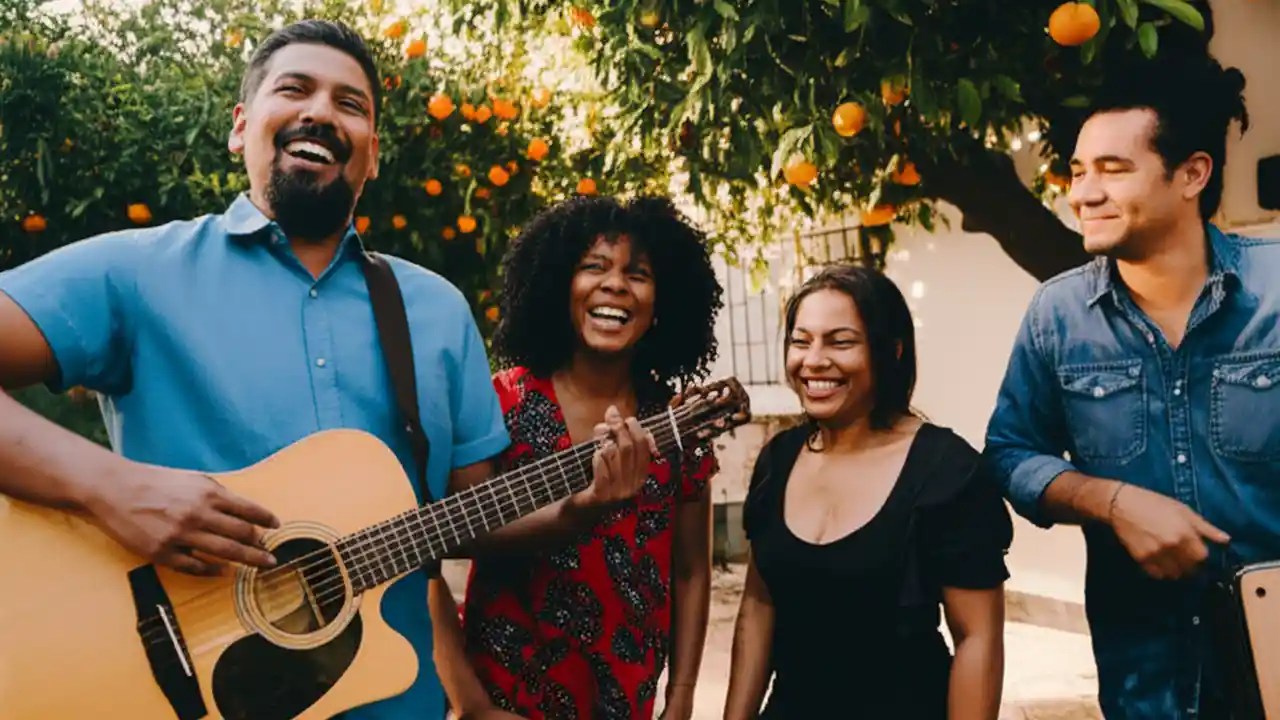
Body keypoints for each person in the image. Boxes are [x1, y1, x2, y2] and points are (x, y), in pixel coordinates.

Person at [0, 20, 651, 720]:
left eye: (350, 103)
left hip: (394, 700)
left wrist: (586, 508)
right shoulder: (135, 272)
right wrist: (111, 487)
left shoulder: (434, 310)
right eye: (294, 89)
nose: (319, 111)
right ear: (241, 126)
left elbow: (470, 519)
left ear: (372, 155)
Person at [983, 53, 1274, 718]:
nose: (1083, 192)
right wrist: (1111, 501)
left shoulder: (1277, 293)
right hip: (1146, 682)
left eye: (1113, 170)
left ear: (1191, 174)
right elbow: (1008, 452)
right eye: (1079, 171)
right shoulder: (1058, 316)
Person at [432, 195, 725, 720]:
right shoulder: (499, 404)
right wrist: (470, 704)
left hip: (625, 701)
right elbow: (436, 546)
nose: (615, 284)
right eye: (594, 267)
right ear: (558, 287)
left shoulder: (677, 425)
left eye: (638, 274)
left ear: (664, 302)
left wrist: (680, 700)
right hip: (504, 700)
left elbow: (690, 572)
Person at [724, 264, 1011, 719]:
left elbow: (978, 636)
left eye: (841, 342)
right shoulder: (778, 459)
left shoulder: (946, 470)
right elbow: (760, 604)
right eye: (801, 341)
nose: (813, 360)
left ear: (891, 352)